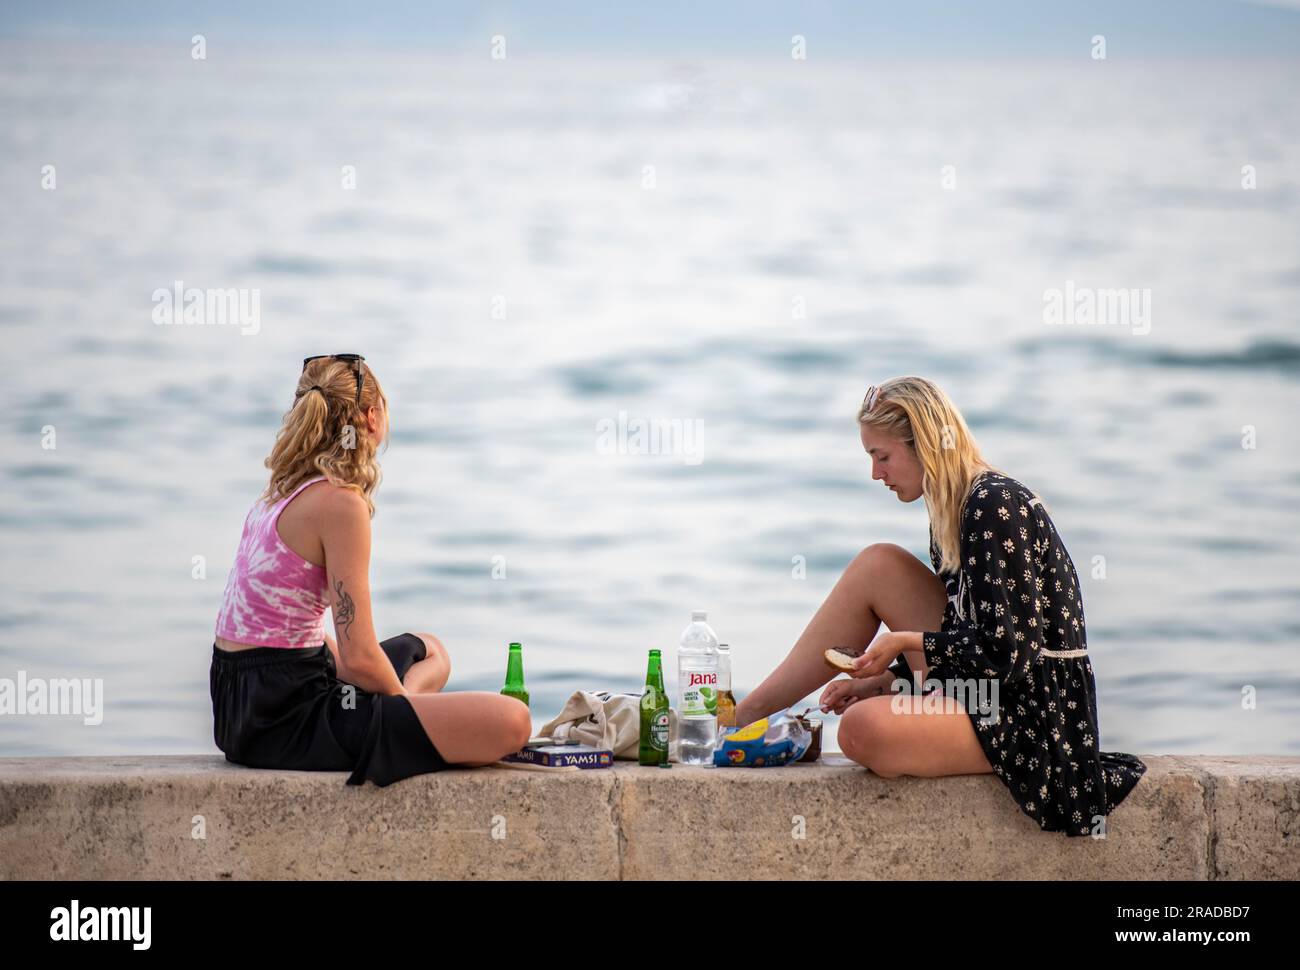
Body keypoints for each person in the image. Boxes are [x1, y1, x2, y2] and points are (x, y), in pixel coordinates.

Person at [734, 376, 1146, 835]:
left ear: (926, 444)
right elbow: (961, 631)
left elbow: (1011, 655)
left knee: (859, 730)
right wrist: (888, 680)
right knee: (878, 565)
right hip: (989, 690)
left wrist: (903, 643)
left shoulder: (991, 504)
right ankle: (742, 720)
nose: (876, 474)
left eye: (882, 456)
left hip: (1036, 717)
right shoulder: (951, 511)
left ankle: (747, 725)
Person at [210, 353, 531, 786]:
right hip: (286, 720)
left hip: (239, 706)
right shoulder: (342, 504)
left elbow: (292, 631)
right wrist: (403, 714)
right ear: (372, 417)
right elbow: (360, 657)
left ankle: (397, 714)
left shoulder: (277, 496)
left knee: (428, 649)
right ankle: (400, 721)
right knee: (513, 721)